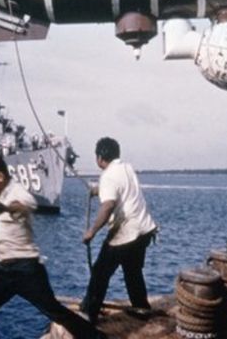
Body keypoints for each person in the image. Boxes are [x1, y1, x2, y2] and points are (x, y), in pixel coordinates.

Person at [0, 153, 102, 339]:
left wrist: (2, 208)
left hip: (27, 270)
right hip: (2, 271)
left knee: (55, 312)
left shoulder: (18, 192)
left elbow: (24, 206)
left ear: (0, 177)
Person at [81, 137, 157, 325]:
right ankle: (142, 308)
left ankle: (88, 315)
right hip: (144, 229)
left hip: (127, 232)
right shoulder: (126, 167)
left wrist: (92, 231)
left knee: (100, 272)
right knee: (132, 270)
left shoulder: (107, 176)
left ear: (99, 157)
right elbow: (120, 187)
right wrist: (97, 190)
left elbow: (107, 206)